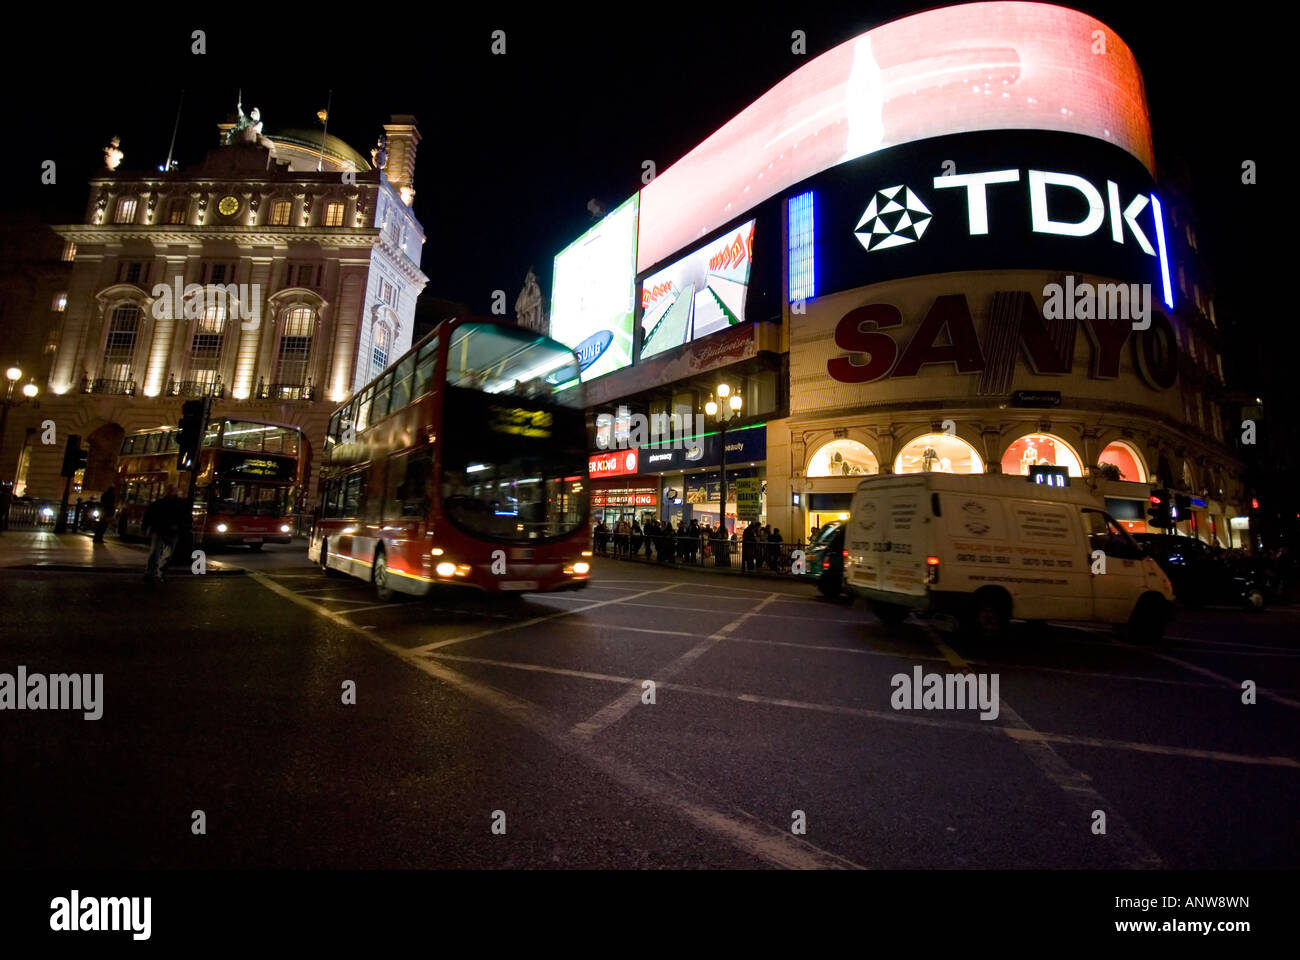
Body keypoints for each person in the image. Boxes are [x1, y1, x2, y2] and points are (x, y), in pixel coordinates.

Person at [142, 485, 188, 582]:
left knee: (163, 554)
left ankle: (155, 573)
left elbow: (148, 515)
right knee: (158, 553)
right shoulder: (179, 504)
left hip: (165, 530)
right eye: (170, 490)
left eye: (173, 490)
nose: (171, 492)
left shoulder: (162, 503)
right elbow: (149, 515)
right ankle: (154, 573)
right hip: (163, 530)